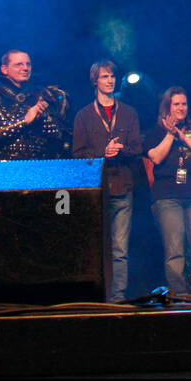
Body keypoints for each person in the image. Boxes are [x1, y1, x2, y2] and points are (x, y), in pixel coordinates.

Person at [72, 61, 143, 303]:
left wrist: (119, 151)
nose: (110, 80)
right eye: (105, 77)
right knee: (96, 247)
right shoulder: (83, 115)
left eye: (112, 76)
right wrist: (103, 152)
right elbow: (77, 154)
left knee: (120, 249)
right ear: (95, 81)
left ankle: (118, 298)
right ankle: (96, 297)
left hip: (122, 185)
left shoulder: (129, 112)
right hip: (96, 190)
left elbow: (137, 148)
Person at [145, 86, 191, 299]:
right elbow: (155, 157)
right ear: (167, 107)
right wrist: (170, 134)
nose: (181, 107)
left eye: (184, 103)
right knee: (175, 250)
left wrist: (183, 138)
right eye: (176, 104)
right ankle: (181, 297)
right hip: (167, 197)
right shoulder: (154, 131)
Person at [0, 50, 69, 160]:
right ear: (4, 69)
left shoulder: (46, 95)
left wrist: (44, 118)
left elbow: (61, 139)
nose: (25, 68)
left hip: (39, 167)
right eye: (19, 64)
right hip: (2, 168)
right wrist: (24, 121)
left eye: (28, 64)